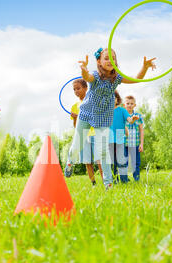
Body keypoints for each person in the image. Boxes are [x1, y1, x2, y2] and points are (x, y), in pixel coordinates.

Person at [64, 47, 156, 190]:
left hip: (103, 118)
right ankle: (70, 162)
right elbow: (87, 77)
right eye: (107, 58)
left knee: (103, 151)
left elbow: (136, 79)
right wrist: (83, 69)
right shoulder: (95, 75)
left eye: (113, 58)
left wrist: (144, 67)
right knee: (77, 145)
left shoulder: (116, 78)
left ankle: (108, 183)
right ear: (99, 62)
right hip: (87, 113)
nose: (110, 61)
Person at [70, 78, 104, 186]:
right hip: (83, 136)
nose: (76, 91)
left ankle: (105, 181)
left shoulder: (92, 101)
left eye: (78, 88)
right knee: (87, 161)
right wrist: (76, 118)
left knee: (99, 160)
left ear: (85, 88)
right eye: (74, 89)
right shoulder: (75, 107)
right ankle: (93, 183)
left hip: (95, 134)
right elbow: (76, 126)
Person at [109, 91, 139, 184]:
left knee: (121, 161)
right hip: (109, 138)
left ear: (117, 99)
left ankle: (124, 180)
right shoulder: (106, 111)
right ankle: (114, 180)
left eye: (113, 97)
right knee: (111, 161)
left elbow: (129, 120)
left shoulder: (122, 110)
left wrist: (132, 119)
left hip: (119, 137)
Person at [124, 95, 144, 182]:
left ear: (134, 105)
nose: (129, 105)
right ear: (124, 105)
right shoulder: (123, 116)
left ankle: (136, 179)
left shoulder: (138, 116)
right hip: (124, 144)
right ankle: (125, 180)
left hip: (135, 144)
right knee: (124, 162)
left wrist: (141, 144)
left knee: (136, 163)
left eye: (131, 103)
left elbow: (141, 130)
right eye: (128, 103)